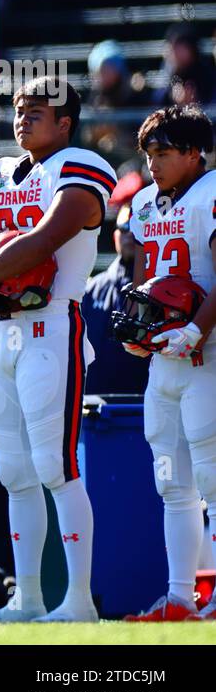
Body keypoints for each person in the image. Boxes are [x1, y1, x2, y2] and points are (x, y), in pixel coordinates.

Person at [0, 77, 115, 623]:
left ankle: (79, 601)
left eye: (36, 110)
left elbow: (44, 239)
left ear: (65, 122)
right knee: (14, 471)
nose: (23, 118)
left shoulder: (79, 166)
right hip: (0, 334)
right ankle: (30, 599)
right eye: (18, 109)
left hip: (51, 329)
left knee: (56, 467)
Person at [116, 106, 216, 621]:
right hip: (166, 360)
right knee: (172, 482)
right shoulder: (146, 205)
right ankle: (180, 598)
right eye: (148, 153)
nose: (153, 163)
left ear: (195, 154)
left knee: (214, 477)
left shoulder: (211, 193)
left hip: (208, 353)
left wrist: (197, 327)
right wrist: (142, 330)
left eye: (164, 153)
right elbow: (142, 281)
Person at [82, 203, 150, 396]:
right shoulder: (90, 289)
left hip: (147, 403)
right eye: (124, 228)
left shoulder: (161, 288)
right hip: (96, 408)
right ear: (115, 235)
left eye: (137, 228)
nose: (129, 234)